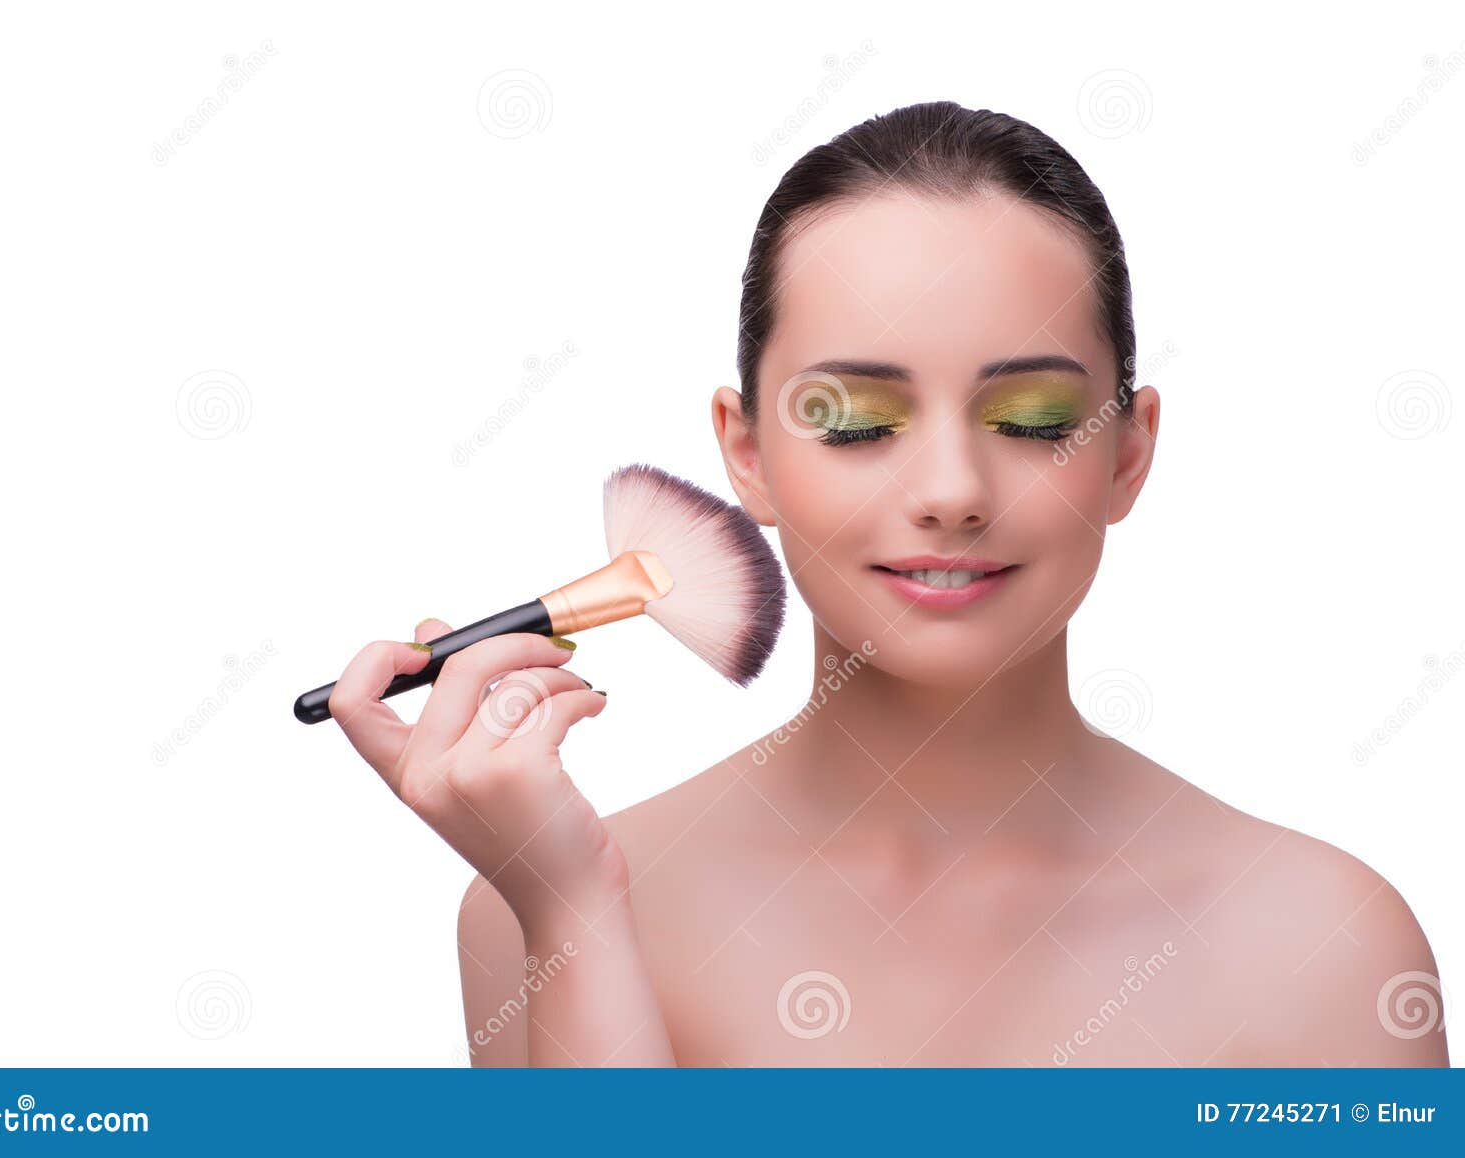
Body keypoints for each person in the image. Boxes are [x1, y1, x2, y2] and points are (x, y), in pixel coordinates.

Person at [329, 101, 1449, 1067]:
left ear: (1127, 451)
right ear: (747, 452)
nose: (953, 490)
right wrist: (571, 911)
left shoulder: (1327, 947)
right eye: (857, 421)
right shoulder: (532, 911)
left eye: (1033, 422)